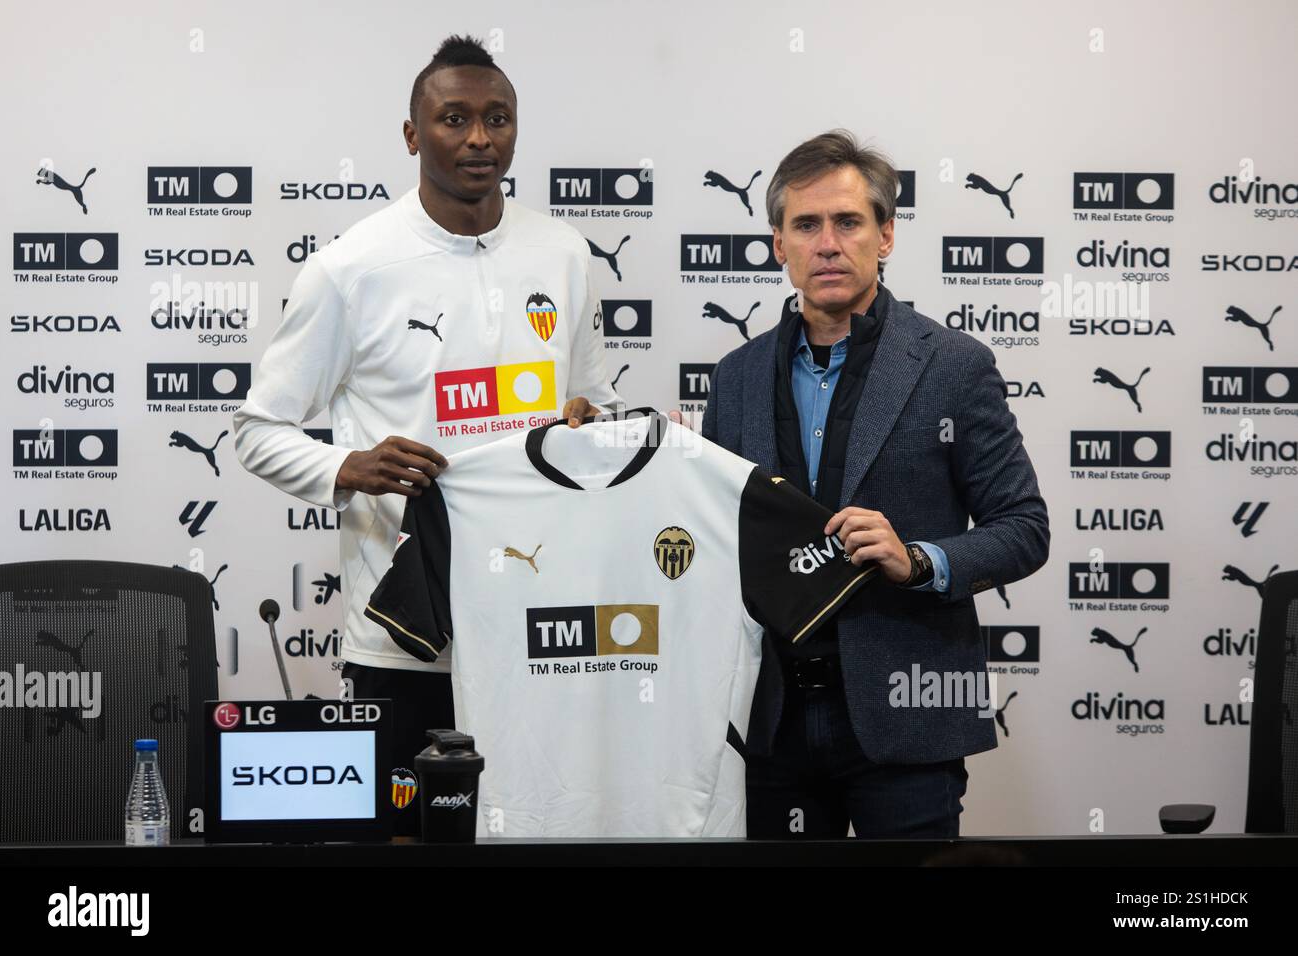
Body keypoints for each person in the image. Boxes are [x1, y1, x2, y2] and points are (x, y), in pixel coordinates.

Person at [232, 35, 619, 835]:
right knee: (403, 843)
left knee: (541, 833)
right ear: (412, 134)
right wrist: (350, 465)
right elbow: (256, 430)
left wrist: (589, 425)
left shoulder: (565, 252)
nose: (479, 139)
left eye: (497, 119)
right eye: (454, 119)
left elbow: (597, 403)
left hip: (541, 625)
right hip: (402, 638)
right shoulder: (352, 267)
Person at [701, 130, 1049, 838]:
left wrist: (920, 559)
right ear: (779, 245)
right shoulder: (734, 379)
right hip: (770, 723)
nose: (828, 243)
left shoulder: (954, 365)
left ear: (885, 236)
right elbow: (710, 543)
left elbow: (1024, 527)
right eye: (806, 225)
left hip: (908, 716)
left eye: (848, 222)